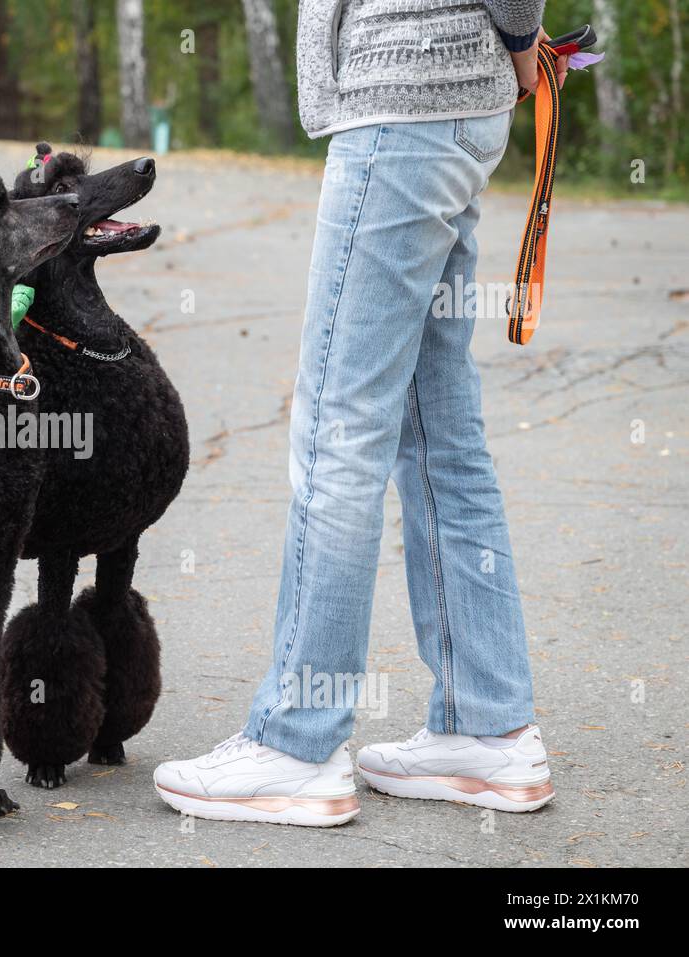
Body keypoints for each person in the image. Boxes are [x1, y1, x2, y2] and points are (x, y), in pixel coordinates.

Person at [154, 0, 568, 827]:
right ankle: (487, 727)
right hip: (450, 102)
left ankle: (296, 744)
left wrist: (523, 39)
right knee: (438, 428)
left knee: (340, 431)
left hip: (406, 103)